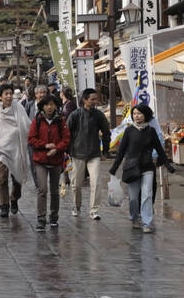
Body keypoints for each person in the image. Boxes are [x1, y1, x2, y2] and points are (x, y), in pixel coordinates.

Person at [108, 103, 173, 234]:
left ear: (146, 115)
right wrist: (114, 167)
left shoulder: (151, 131)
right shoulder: (129, 131)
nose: (136, 116)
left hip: (147, 167)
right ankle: (134, 217)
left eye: (139, 113)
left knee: (147, 194)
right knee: (133, 198)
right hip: (132, 168)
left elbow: (160, 150)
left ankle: (147, 222)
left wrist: (167, 165)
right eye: (135, 114)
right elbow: (121, 151)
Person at [0, 83, 31, 217]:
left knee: (17, 177)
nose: (9, 96)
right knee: (2, 178)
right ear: (0, 97)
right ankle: (4, 205)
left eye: (11, 93)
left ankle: (14, 198)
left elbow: (27, 126)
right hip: (1, 149)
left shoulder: (19, 109)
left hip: (17, 148)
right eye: (6, 94)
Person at [66, 88, 111, 220]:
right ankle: (76, 206)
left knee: (96, 182)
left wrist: (105, 151)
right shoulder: (75, 115)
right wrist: (68, 151)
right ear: (85, 100)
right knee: (76, 184)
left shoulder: (99, 115)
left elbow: (106, 132)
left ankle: (94, 210)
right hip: (77, 153)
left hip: (94, 154)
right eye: (93, 99)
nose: (95, 102)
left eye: (96, 99)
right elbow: (66, 133)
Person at [27, 94, 70, 230]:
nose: (49, 107)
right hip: (40, 160)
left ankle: (54, 217)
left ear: (56, 105)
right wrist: (45, 145)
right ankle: (41, 217)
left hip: (56, 160)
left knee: (54, 191)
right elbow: (31, 139)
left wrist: (57, 149)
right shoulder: (37, 120)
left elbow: (66, 139)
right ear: (42, 106)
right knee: (42, 190)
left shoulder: (60, 121)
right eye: (47, 104)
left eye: (52, 104)